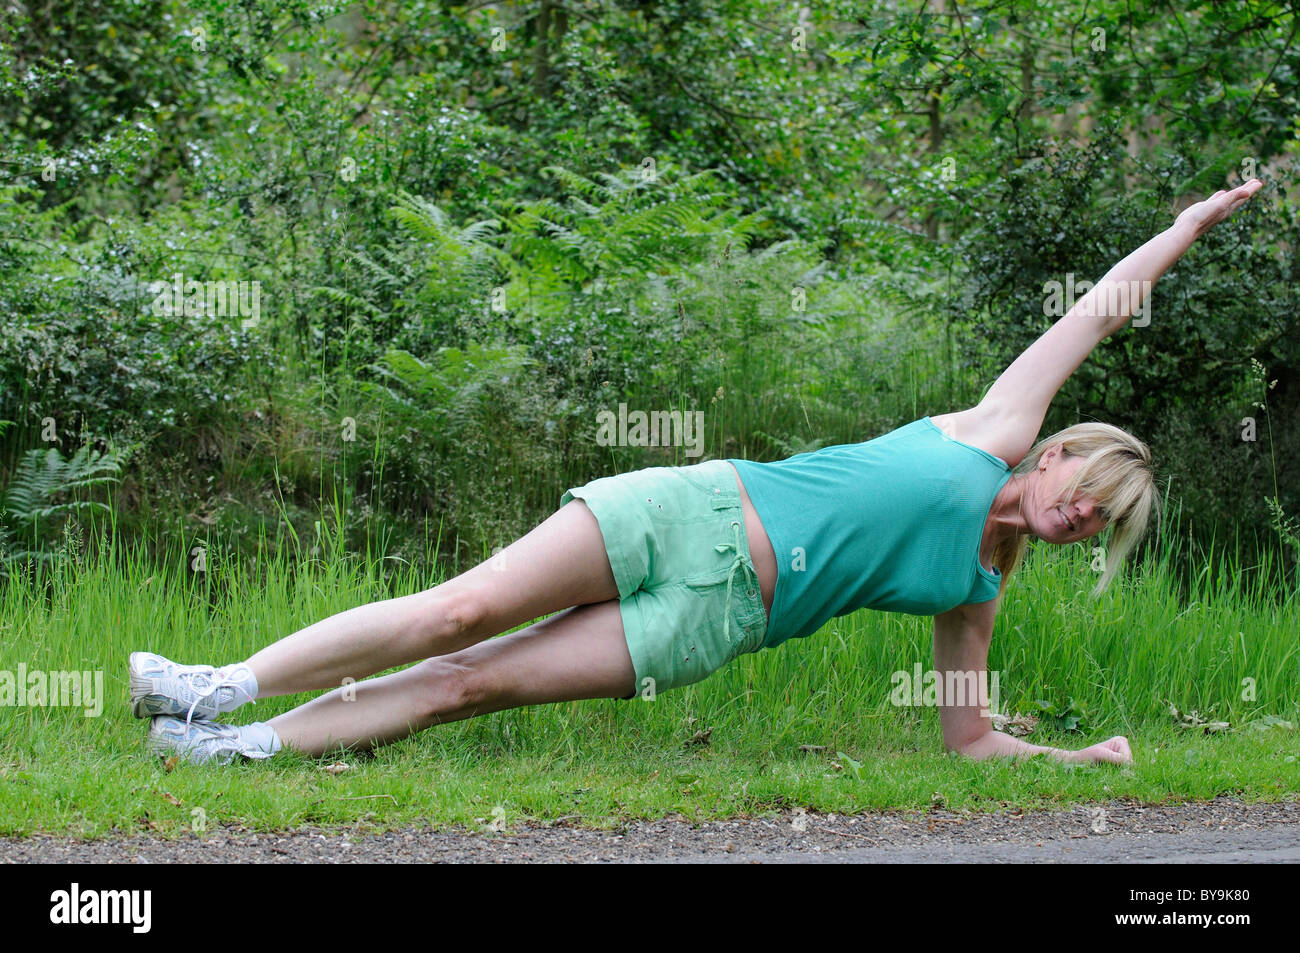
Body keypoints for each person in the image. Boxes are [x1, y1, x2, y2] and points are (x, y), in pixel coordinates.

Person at [129, 179, 1263, 766]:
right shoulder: (993, 429)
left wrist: (1077, 758)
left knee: (470, 683)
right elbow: (1096, 312)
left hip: (714, 620)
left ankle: (231, 749)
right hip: (695, 509)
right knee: (460, 608)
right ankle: (217, 682)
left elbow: (966, 738)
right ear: (1062, 452)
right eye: (1087, 496)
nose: (1076, 519)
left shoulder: (978, 589)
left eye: (1098, 528)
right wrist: (1184, 230)